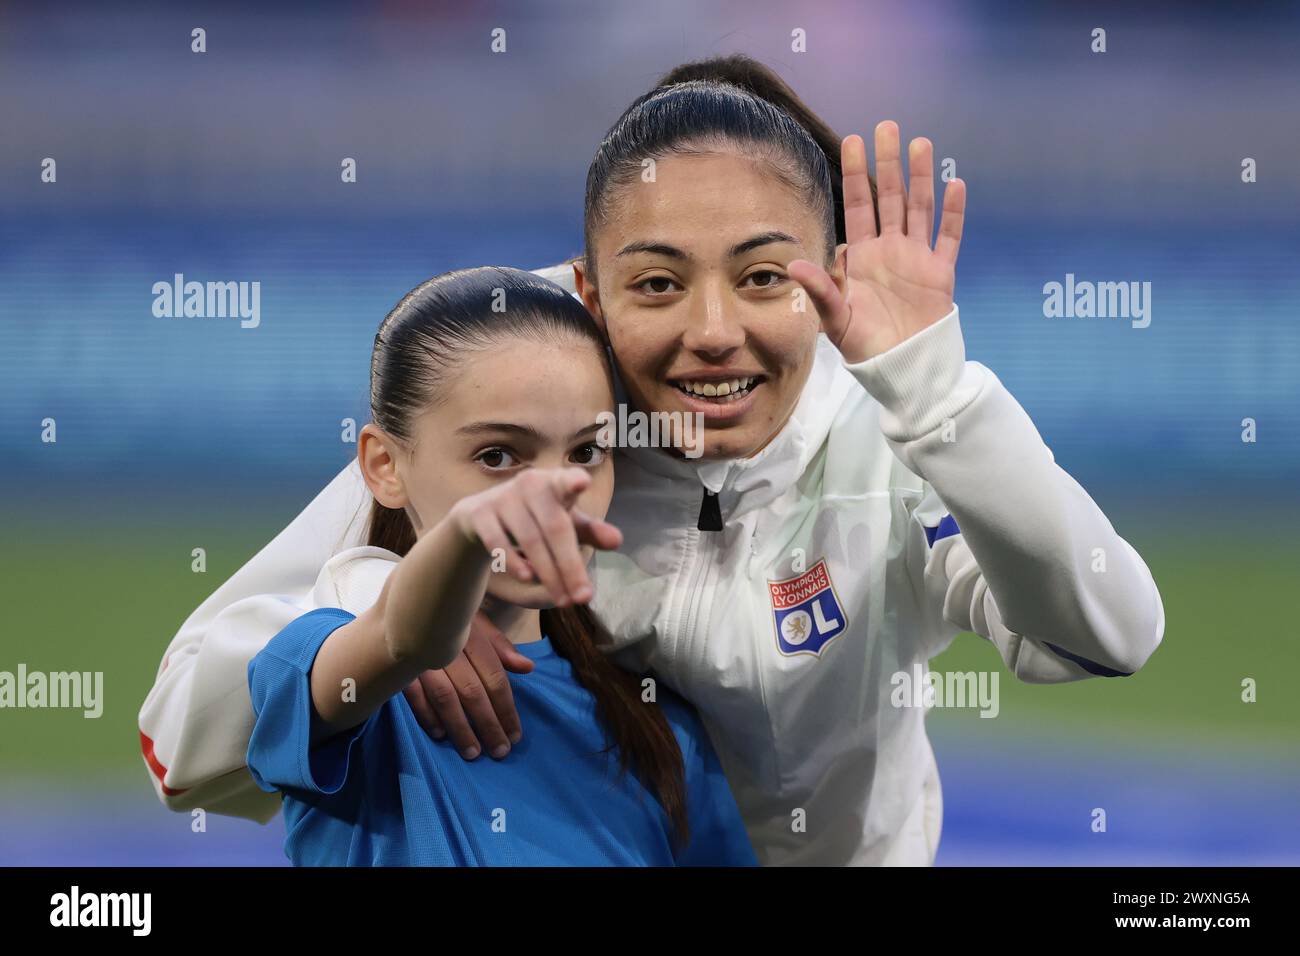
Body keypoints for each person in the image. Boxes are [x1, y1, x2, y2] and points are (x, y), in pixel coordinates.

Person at [139, 56, 1164, 865]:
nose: (713, 331)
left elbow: (1105, 633)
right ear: (589, 293)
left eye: (764, 275)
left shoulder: (897, 431)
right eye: (658, 283)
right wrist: (397, 614)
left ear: (827, 281)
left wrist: (936, 391)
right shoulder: (524, 394)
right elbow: (179, 735)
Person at [245, 267, 756, 865]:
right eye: (497, 456)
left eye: (587, 451)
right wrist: (468, 535)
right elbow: (398, 635)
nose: (550, 492)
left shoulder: (661, 728)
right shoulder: (339, 670)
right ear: (384, 465)